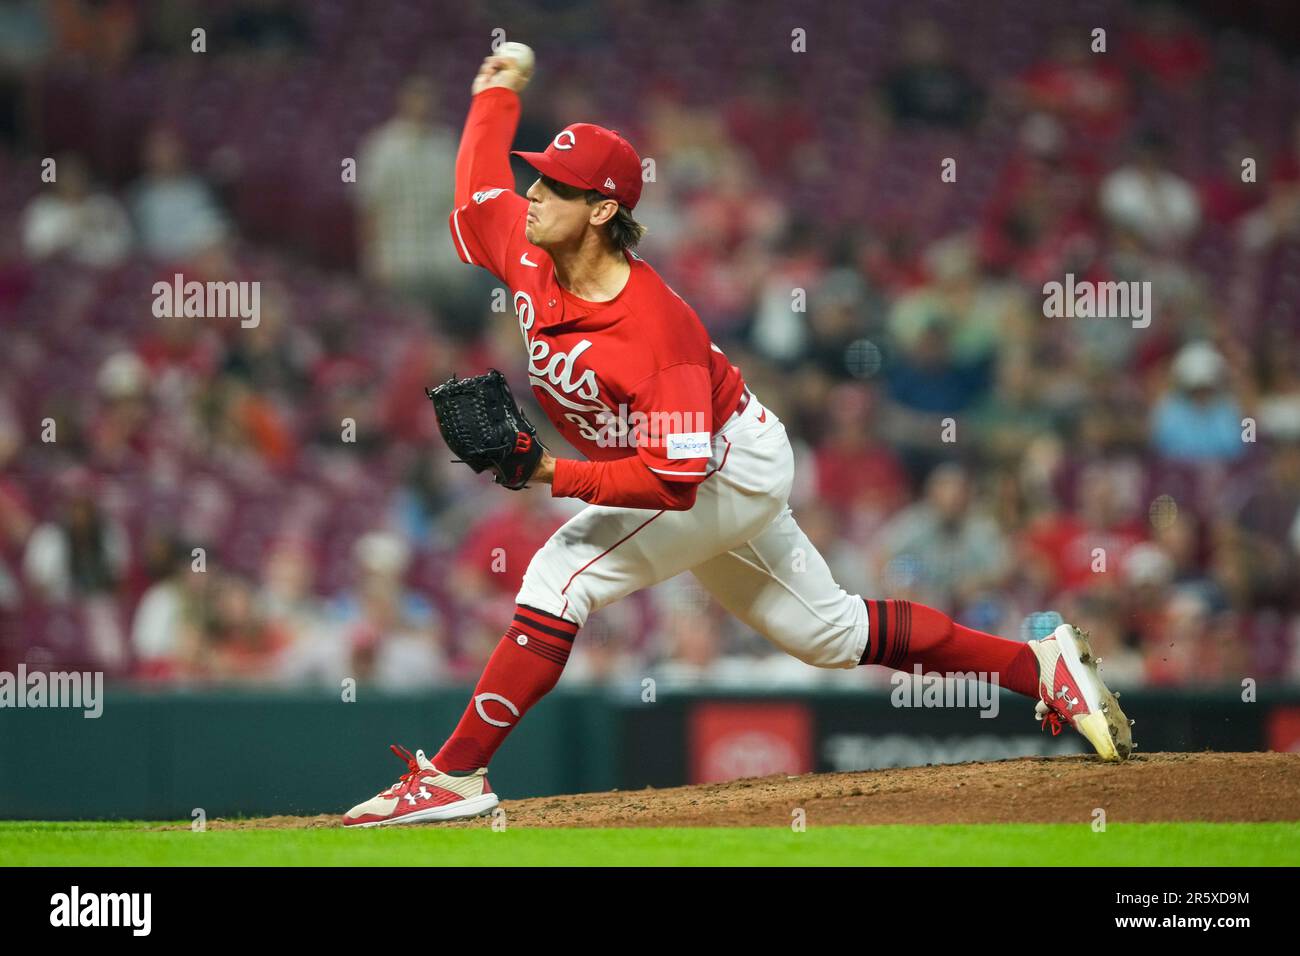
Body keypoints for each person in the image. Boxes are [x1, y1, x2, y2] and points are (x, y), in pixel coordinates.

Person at [342, 53, 1132, 827]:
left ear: (604, 211)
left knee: (558, 575)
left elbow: (672, 484)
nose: (536, 192)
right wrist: (498, 94)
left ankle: (453, 774)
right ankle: (1039, 666)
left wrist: (549, 471)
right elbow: (480, 185)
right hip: (698, 461)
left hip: (720, 467)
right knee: (829, 635)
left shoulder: (654, 332)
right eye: (540, 176)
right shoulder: (527, 241)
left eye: (557, 185)